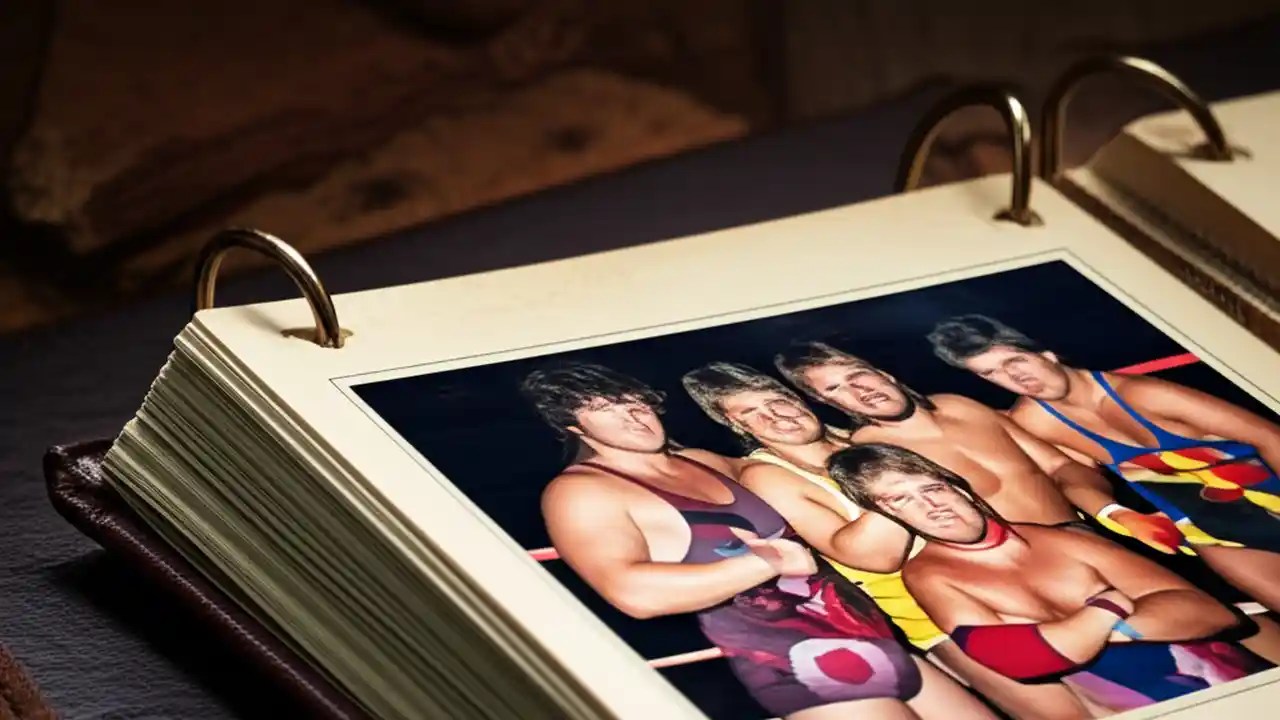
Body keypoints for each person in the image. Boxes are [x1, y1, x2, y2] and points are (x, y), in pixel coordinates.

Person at [522, 362, 994, 720]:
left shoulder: (707, 460)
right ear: (575, 428)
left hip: (873, 637)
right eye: (607, 411)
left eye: (636, 403)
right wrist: (764, 562)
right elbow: (633, 594)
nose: (635, 418)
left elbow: (801, 465)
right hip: (800, 666)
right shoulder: (581, 492)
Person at [682, 362, 1092, 720]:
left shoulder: (864, 440)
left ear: (798, 398)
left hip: (1016, 580)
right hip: (941, 618)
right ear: (737, 427)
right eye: (751, 414)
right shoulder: (768, 474)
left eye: (777, 401)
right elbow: (868, 555)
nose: (775, 417)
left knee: (1118, 696)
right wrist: (896, 489)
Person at [828, 443, 1269, 717]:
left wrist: (1069, 634)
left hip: (1244, 686)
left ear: (961, 489)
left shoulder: (1065, 542)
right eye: (900, 502)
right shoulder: (929, 575)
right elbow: (1021, 659)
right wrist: (1108, 605)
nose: (931, 508)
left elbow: (1212, 613)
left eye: (932, 489)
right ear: (891, 519)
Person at [927, 314, 1280, 614]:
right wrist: (1114, 513)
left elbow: (1269, 437)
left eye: (1016, 361)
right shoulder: (1036, 421)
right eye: (992, 373)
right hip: (1213, 531)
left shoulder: (1144, 394)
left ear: (1046, 354)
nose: (1015, 378)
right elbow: (1075, 475)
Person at [773, 341, 1178, 551]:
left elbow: (1058, 467)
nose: (858, 390)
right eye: (836, 390)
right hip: (1029, 565)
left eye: (858, 374)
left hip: (1095, 535)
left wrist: (1114, 512)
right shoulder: (872, 451)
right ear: (829, 405)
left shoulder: (958, 403)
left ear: (882, 373)